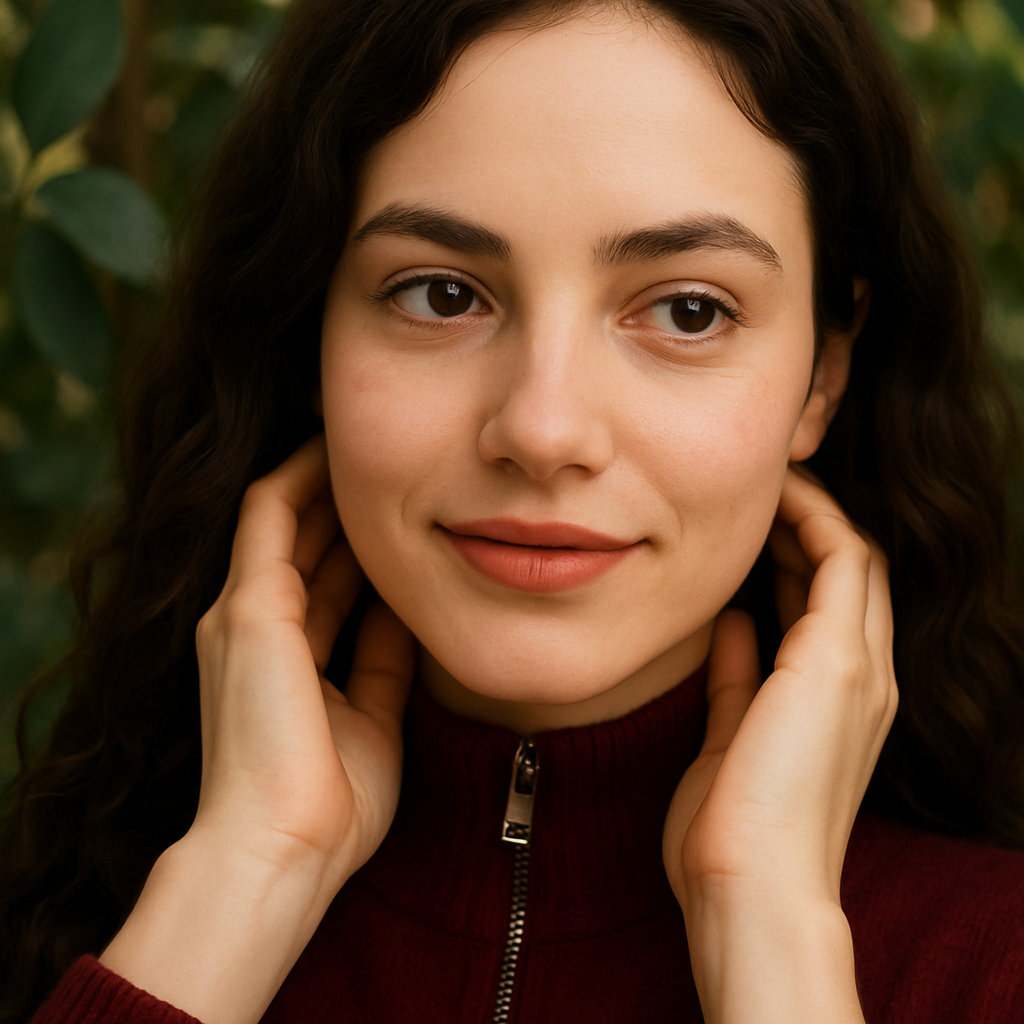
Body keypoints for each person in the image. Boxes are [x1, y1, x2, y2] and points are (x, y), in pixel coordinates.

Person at [2, 0, 1024, 1021]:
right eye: (441, 295)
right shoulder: (74, 929)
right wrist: (242, 874)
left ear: (822, 374)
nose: (542, 429)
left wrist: (771, 935)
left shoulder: (989, 967)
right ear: (306, 330)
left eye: (686, 310)